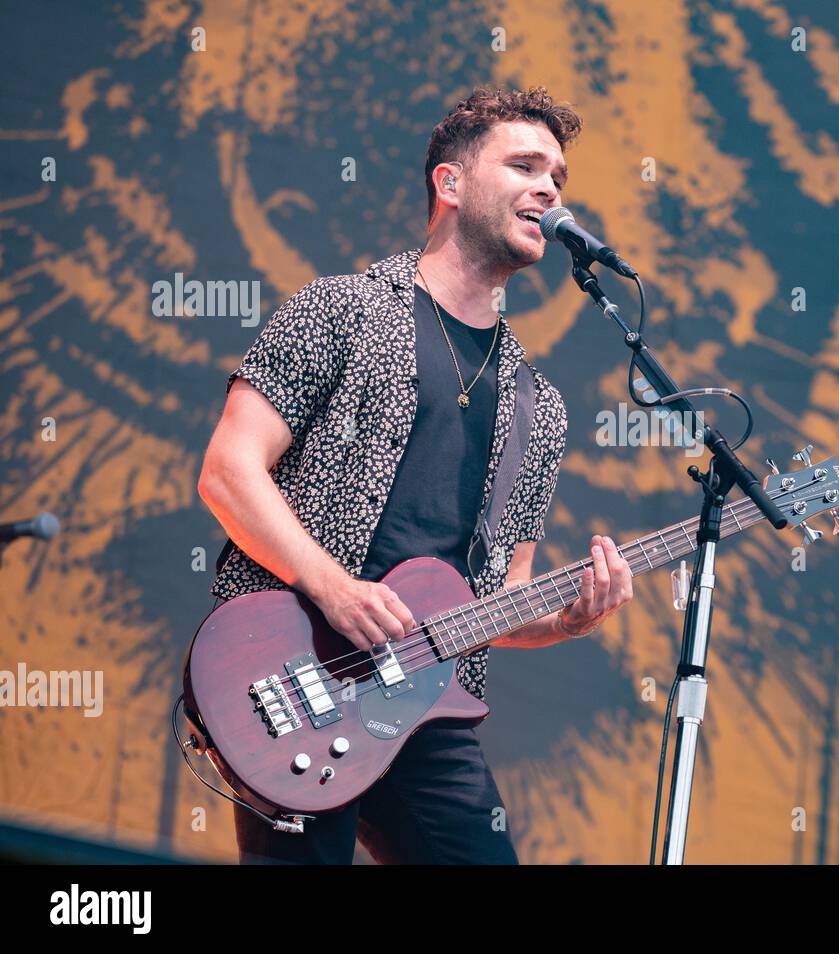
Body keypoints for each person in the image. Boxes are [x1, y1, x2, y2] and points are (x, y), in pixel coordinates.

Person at [196, 86, 635, 864]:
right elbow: (229, 474)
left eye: (559, 177)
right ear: (451, 184)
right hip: (290, 672)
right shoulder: (342, 310)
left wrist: (566, 620)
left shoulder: (541, 405)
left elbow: (502, 602)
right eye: (525, 165)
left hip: (428, 709)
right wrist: (333, 587)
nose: (550, 188)